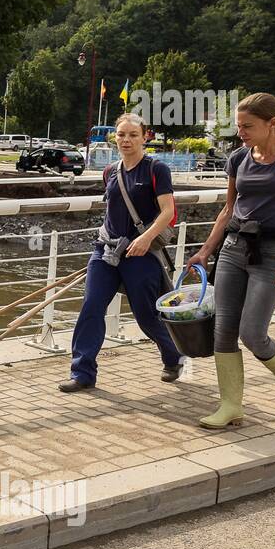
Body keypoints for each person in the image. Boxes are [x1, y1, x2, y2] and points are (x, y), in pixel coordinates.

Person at [187, 93, 275, 428]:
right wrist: (205, 251)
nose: (241, 133)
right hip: (234, 248)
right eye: (238, 126)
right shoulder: (237, 158)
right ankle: (231, 405)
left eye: (247, 126)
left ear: (272, 123)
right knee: (223, 330)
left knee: (252, 332)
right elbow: (228, 209)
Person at [60, 113, 185, 393]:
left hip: (140, 253)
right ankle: (82, 372)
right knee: (91, 307)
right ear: (114, 138)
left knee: (146, 316)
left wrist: (144, 239)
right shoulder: (110, 171)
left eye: (132, 135)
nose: (126, 140)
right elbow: (112, 211)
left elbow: (168, 212)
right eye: (121, 135)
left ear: (145, 137)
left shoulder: (156, 169)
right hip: (106, 250)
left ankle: (173, 355)